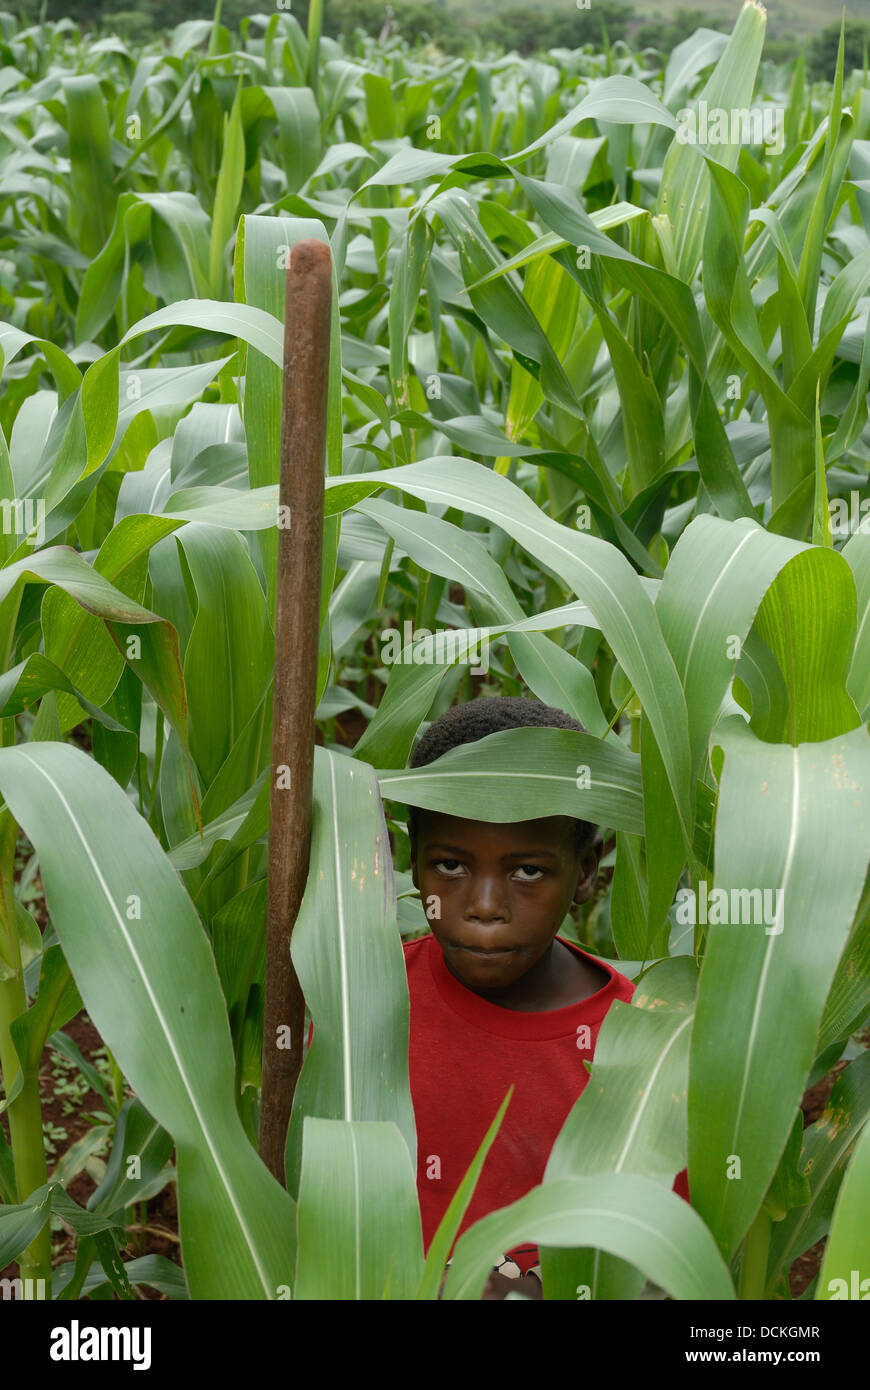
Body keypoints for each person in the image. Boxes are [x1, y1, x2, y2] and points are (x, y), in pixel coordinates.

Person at [403, 695, 689, 1299]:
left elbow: (662, 1268)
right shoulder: (359, 1002)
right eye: (450, 866)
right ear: (412, 863)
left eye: (527, 871)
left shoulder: (645, 1053)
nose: (483, 905)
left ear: (586, 872)